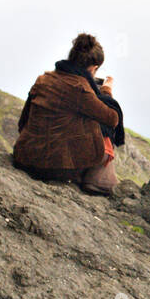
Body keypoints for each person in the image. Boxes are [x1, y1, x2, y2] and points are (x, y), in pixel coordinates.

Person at [12, 33, 125, 196]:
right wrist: (106, 91)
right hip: (54, 169)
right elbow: (112, 118)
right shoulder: (80, 88)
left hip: (24, 157)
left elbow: (23, 122)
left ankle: (98, 179)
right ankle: (98, 182)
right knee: (103, 131)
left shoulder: (43, 79)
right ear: (93, 68)